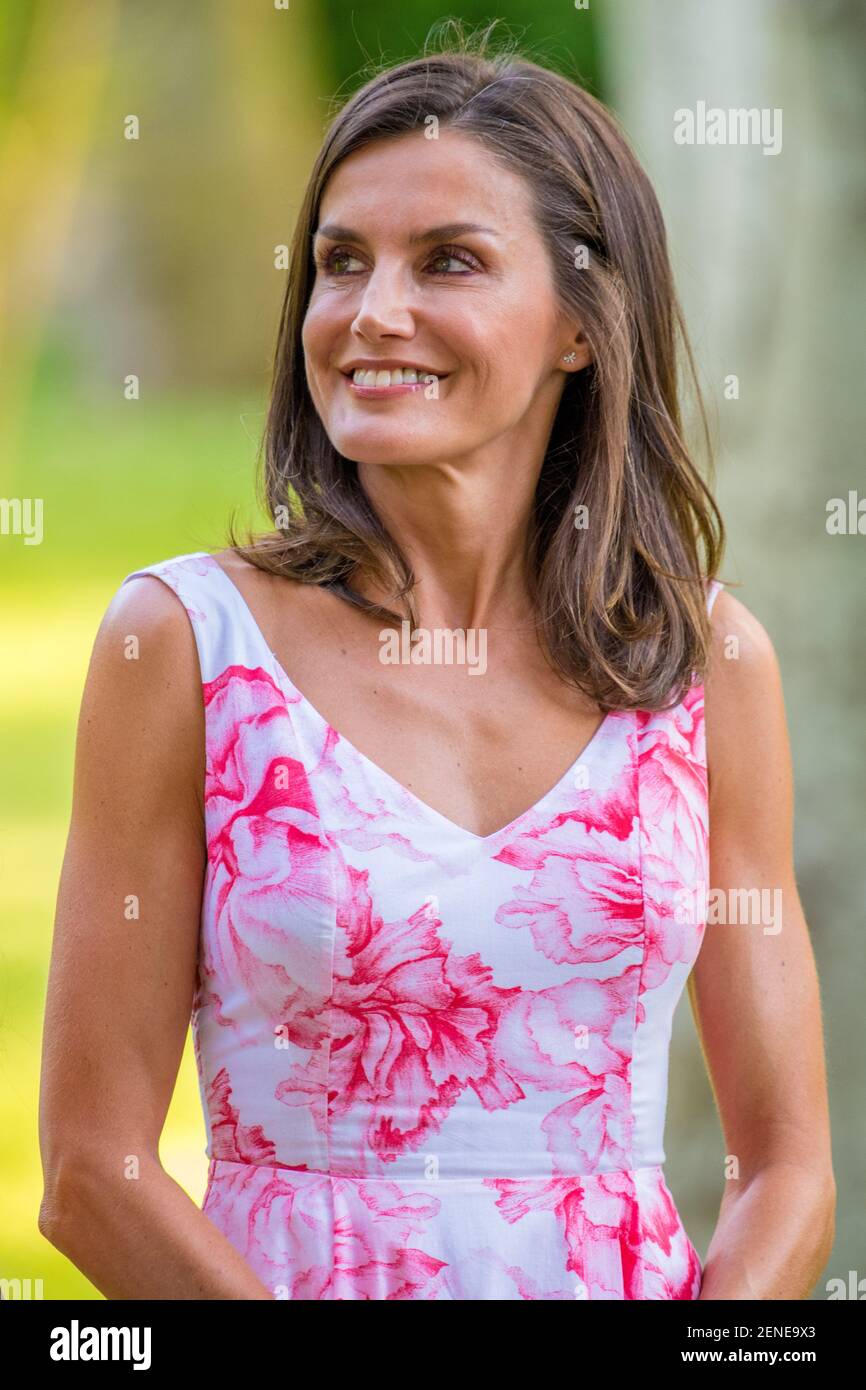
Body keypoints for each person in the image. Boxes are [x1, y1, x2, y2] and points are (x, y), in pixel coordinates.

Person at [38, 29, 834, 1300]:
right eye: (339, 262)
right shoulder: (185, 646)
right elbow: (90, 1170)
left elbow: (786, 1164)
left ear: (581, 324)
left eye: (447, 261)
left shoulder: (702, 662)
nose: (371, 313)